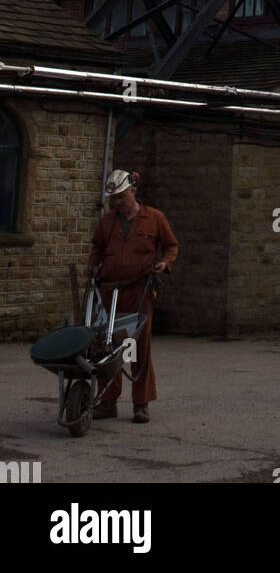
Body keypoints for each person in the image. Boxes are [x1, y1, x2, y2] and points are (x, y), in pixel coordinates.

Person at [88, 169, 179, 423]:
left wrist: (164, 263)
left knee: (138, 348)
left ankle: (141, 404)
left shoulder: (155, 218)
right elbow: (97, 247)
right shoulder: (107, 221)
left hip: (140, 291)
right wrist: (93, 265)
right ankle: (108, 402)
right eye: (114, 198)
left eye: (121, 196)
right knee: (106, 346)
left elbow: (171, 245)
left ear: (133, 192)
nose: (118, 202)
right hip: (109, 290)